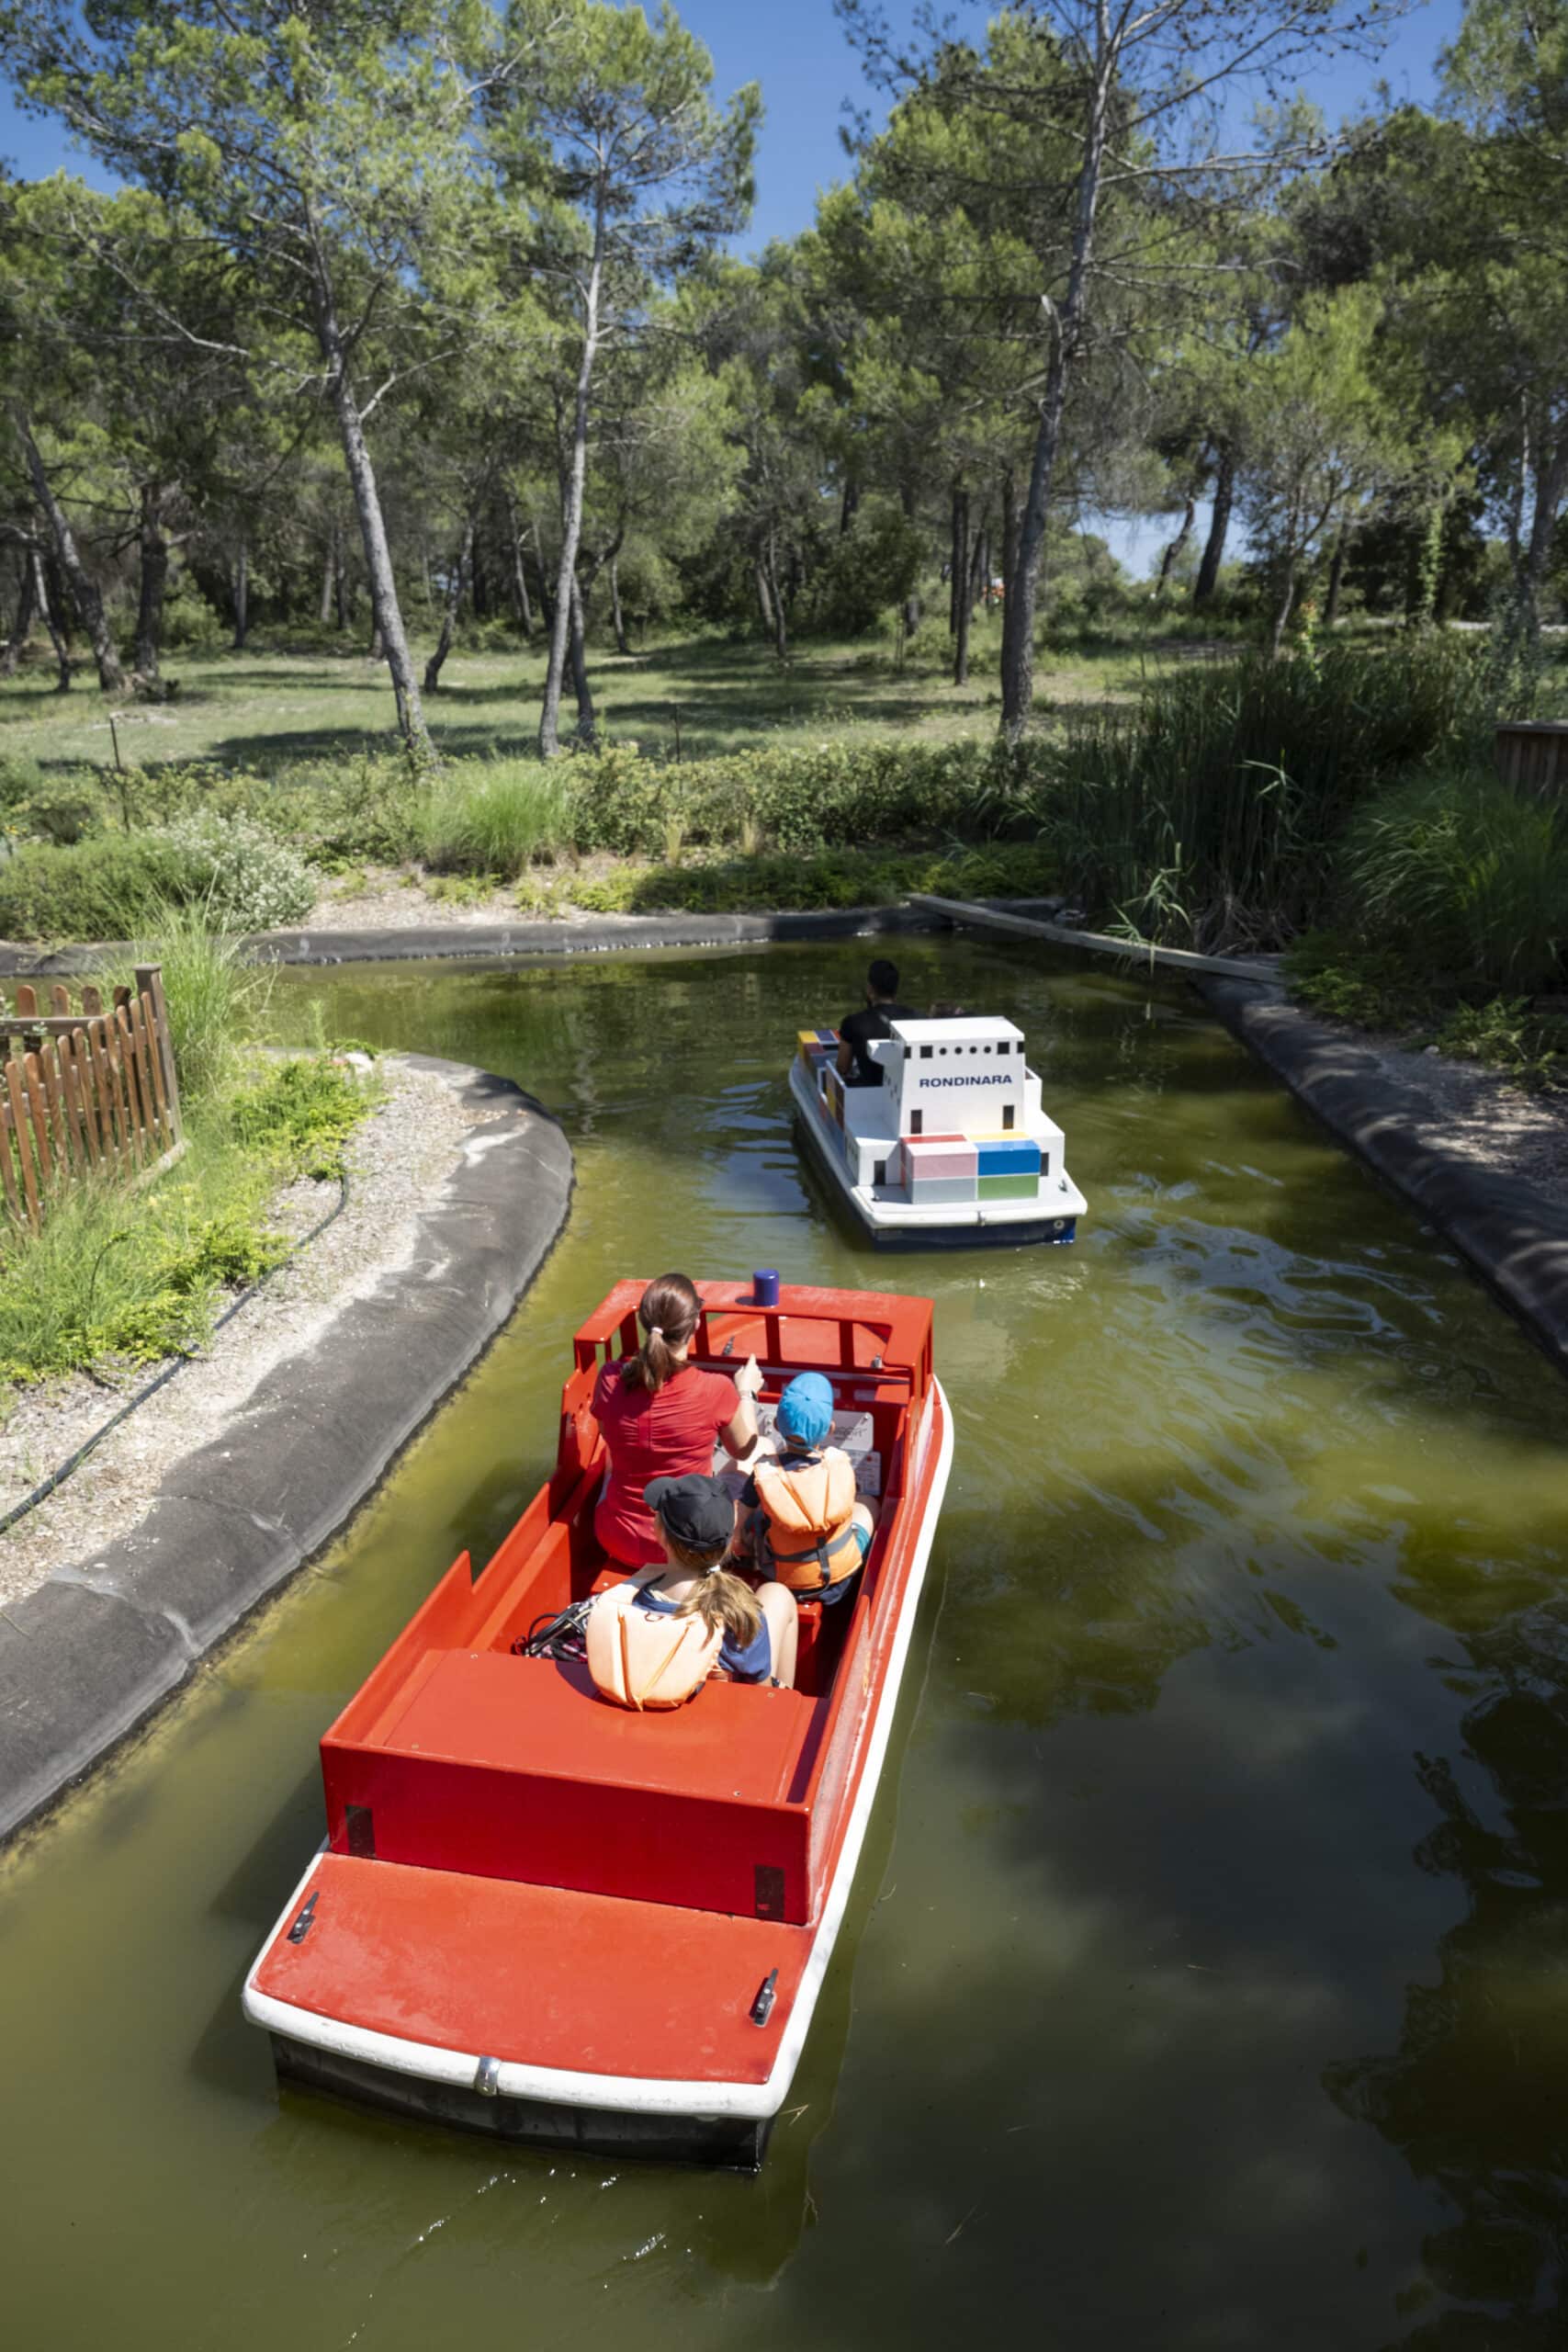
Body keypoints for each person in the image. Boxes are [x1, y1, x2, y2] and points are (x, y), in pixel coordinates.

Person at [592, 1272, 761, 1569]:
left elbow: (607, 1434)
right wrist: (746, 1393)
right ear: (696, 1324)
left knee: (610, 1457)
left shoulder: (608, 1378)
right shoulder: (715, 1389)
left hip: (616, 1539)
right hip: (686, 1548)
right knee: (752, 1460)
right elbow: (745, 1449)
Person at [590, 1475, 799, 1699]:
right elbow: (761, 1693)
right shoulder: (739, 1615)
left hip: (649, 1706)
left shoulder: (625, 1600)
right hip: (718, 1721)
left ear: (660, 1534)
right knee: (777, 1594)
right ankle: (788, 1700)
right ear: (728, 1542)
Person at [743, 1371, 878, 1605]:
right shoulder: (841, 1465)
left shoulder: (762, 1475)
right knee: (867, 1504)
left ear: (775, 1424)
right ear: (830, 1429)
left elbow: (740, 1528)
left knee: (757, 1513)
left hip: (781, 1580)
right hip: (840, 1583)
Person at [836, 957, 920, 1089]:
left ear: (870, 989)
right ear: (895, 989)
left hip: (867, 1092)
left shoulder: (853, 1022)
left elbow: (842, 1068)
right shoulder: (918, 1018)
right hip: (907, 1090)